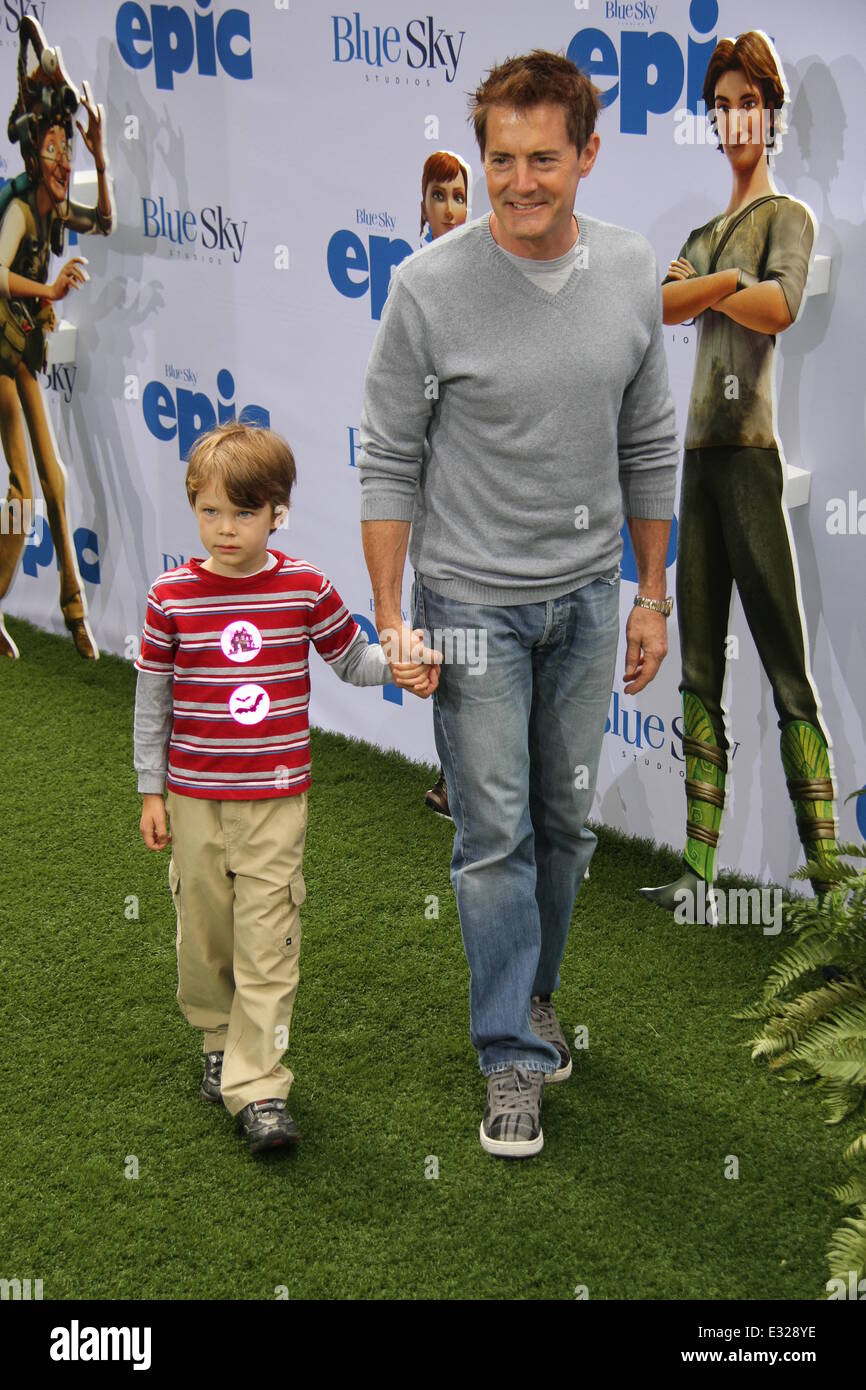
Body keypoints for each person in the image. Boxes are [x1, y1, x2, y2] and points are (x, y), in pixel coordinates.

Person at [358, 50, 679, 1158]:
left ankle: (534, 993)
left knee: (561, 827)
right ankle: (508, 1049)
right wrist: (393, 616)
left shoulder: (631, 272)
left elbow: (646, 445)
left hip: (590, 604)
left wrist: (652, 594)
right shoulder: (427, 288)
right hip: (470, 609)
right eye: (501, 158)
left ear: (586, 155)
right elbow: (389, 459)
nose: (519, 181)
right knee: (491, 833)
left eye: (544, 158)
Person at [133, 421, 431, 1155]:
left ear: (278, 511)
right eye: (209, 511)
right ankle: (215, 1039)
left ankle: (258, 1086)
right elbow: (153, 700)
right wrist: (150, 789)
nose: (224, 529)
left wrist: (396, 660)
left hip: (276, 804)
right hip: (194, 801)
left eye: (242, 512)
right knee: (205, 937)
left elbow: (350, 659)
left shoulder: (303, 587)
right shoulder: (170, 596)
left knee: (269, 941)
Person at [639, 30, 838, 917]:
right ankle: (700, 868)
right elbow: (664, 301)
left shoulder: (787, 217)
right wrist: (723, 283)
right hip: (696, 462)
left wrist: (708, 283)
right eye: (719, 108)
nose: (731, 121)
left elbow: (778, 309)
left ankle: (830, 877)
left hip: (752, 459)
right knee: (698, 669)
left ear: (772, 110)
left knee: (789, 667)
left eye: (745, 103)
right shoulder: (703, 231)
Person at [0, 16, 115, 662]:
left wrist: (99, 153)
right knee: (22, 489)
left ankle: (75, 610)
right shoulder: (19, 208)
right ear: (32, 153)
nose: (60, 159)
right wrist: (49, 293)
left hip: (19, 352)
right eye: (54, 149)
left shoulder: (52, 204)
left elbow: (103, 218)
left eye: (65, 149)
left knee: (55, 481)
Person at [417, 149, 472, 819]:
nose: (453, 206)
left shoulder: (493, 277)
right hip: (435, 502)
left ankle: (474, 783)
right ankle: (452, 779)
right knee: (439, 644)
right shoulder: (413, 286)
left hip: (485, 495)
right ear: (423, 205)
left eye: (461, 194)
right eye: (441, 194)